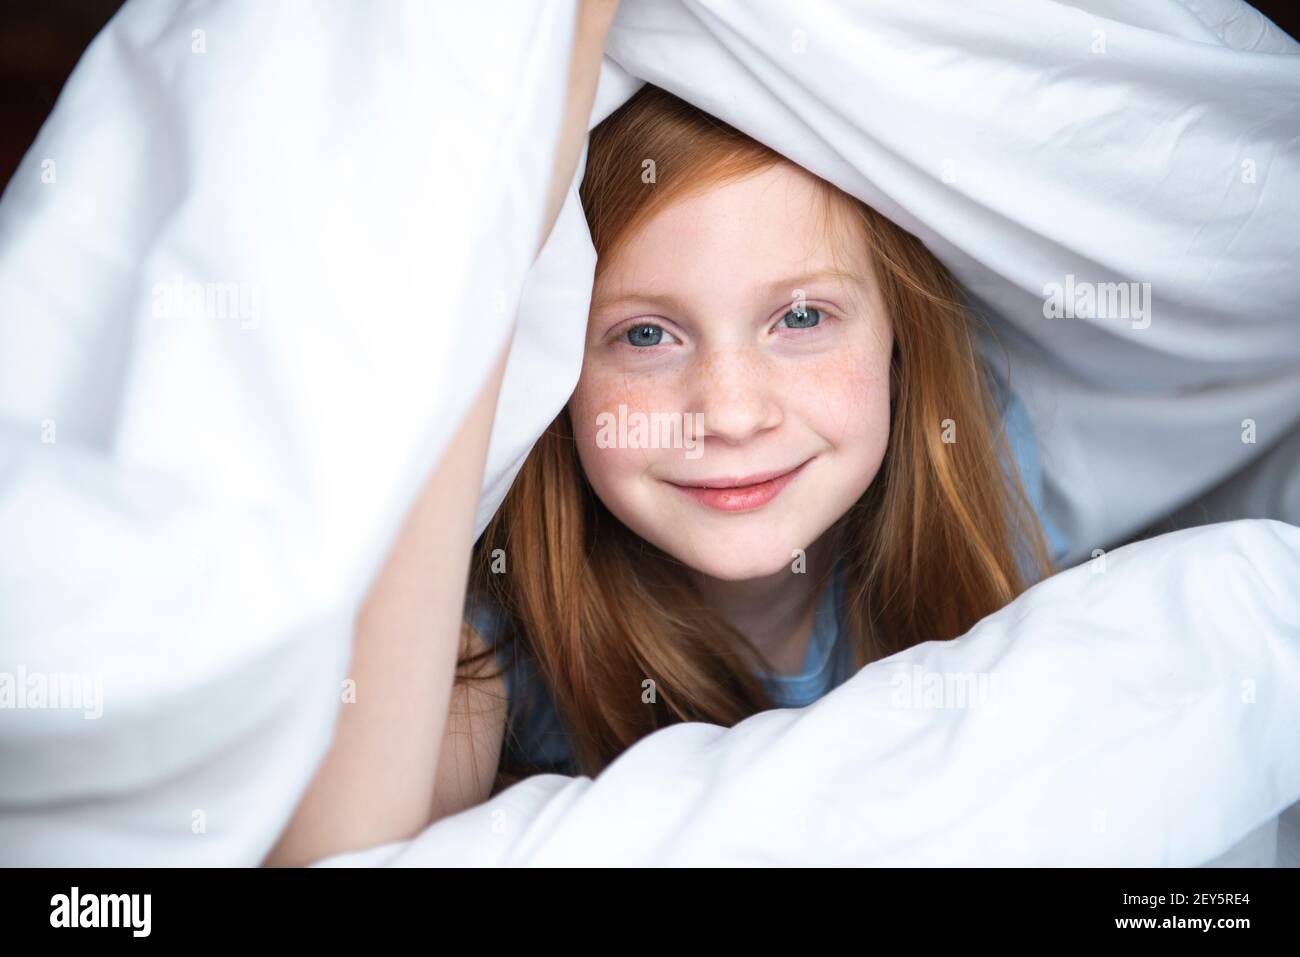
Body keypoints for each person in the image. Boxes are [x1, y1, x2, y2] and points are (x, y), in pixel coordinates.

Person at [449, 83, 1069, 806]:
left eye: (801, 317)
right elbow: (366, 847)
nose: (734, 415)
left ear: (899, 342)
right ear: (555, 372)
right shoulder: (495, 628)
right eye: (646, 334)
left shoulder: (980, 477)